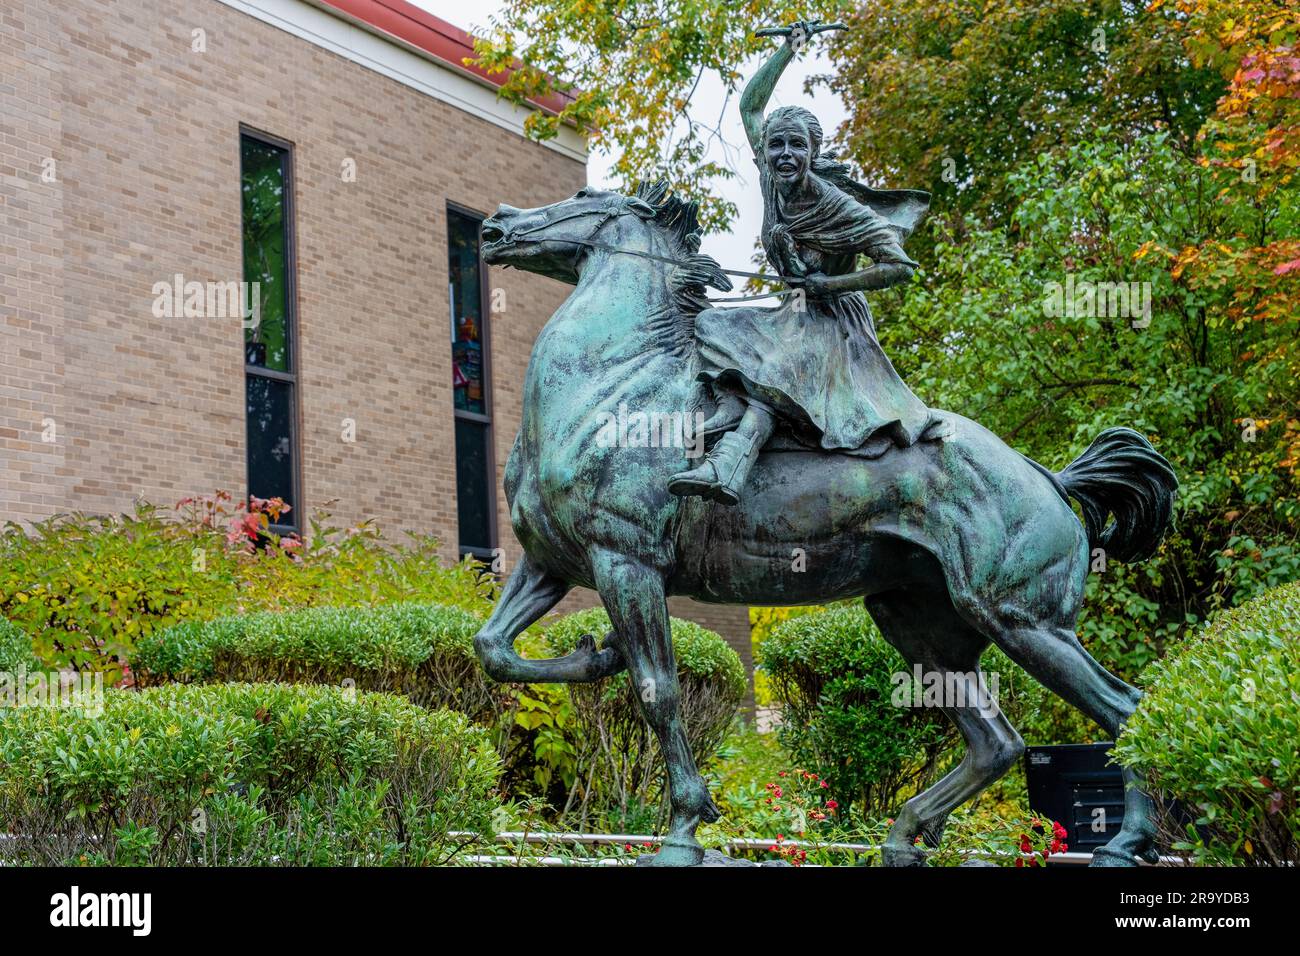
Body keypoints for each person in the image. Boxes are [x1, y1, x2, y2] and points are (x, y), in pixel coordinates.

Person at [668, 20, 945, 506]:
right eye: (777, 145)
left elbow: (901, 268)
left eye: (797, 145)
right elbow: (751, 105)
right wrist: (787, 50)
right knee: (711, 324)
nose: (785, 153)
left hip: (836, 320)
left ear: (814, 153)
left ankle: (729, 466)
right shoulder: (772, 179)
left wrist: (827, 286)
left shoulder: (840, 208)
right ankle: (729, 414)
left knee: (780, 363)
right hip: (795, 309)